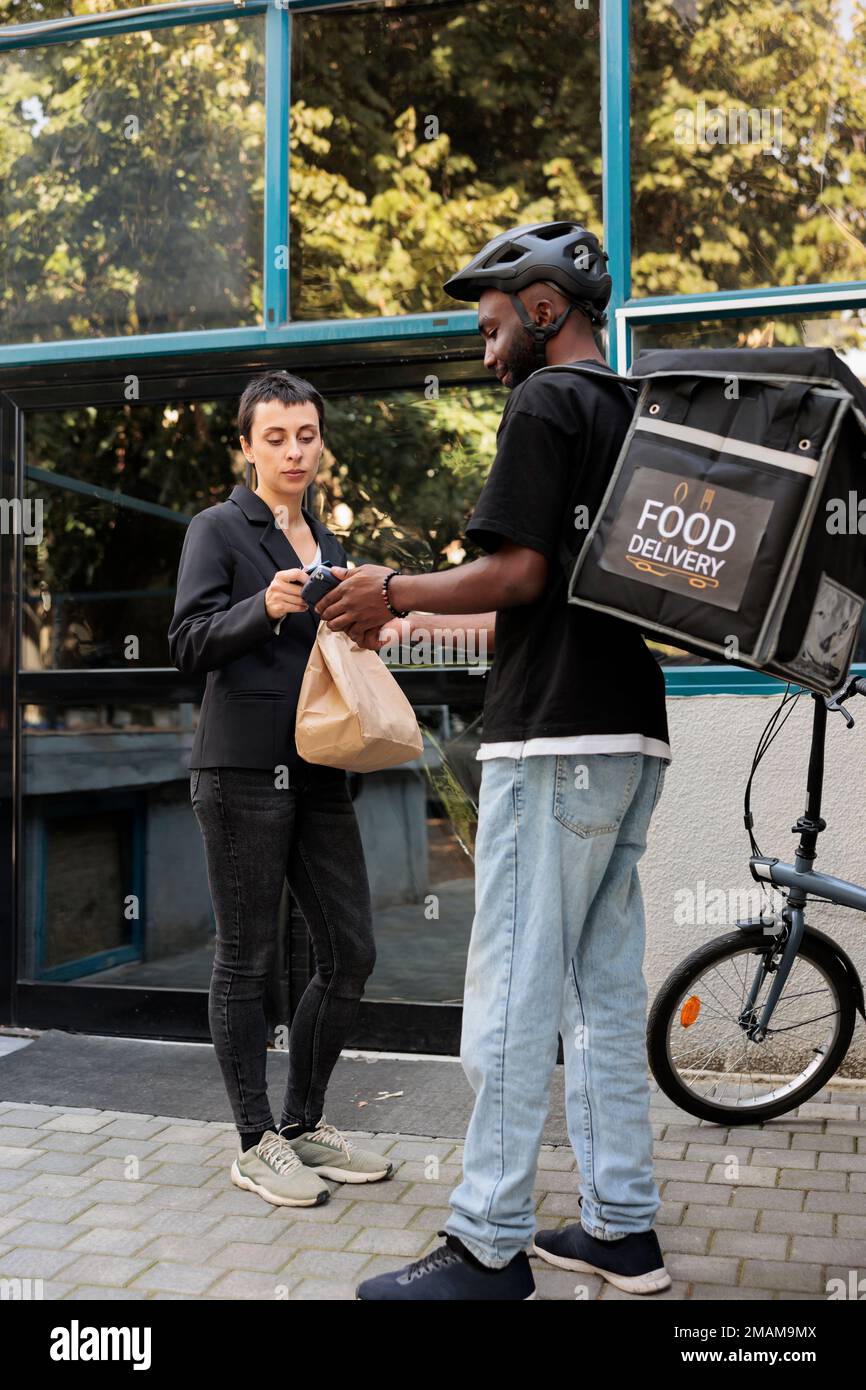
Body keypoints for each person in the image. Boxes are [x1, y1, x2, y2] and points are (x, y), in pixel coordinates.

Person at [315, 223, 673, 1299]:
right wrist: (413, 617)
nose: (485, 350)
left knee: (513, 988)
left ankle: (484, 1244)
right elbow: (562, 585)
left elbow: (514, 572)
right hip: (629, 733)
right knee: (601, 993)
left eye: (491, 324)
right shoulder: (631, 409)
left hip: (553, 736)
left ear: (546, 306)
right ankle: (621, 1227)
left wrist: (394, 588)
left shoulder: (546, 402)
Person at [168, 369, 391, 1209]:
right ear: (248, 446)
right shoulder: (218, 529)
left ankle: (302, 1124)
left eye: (305, 435)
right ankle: (255, 1141)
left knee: (351, 952)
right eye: (275, 437)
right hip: (237, 771)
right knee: (246, 960)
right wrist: (260, 607)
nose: (294, 450)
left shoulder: (328, 542)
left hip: (320, 769)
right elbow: (188, 643)